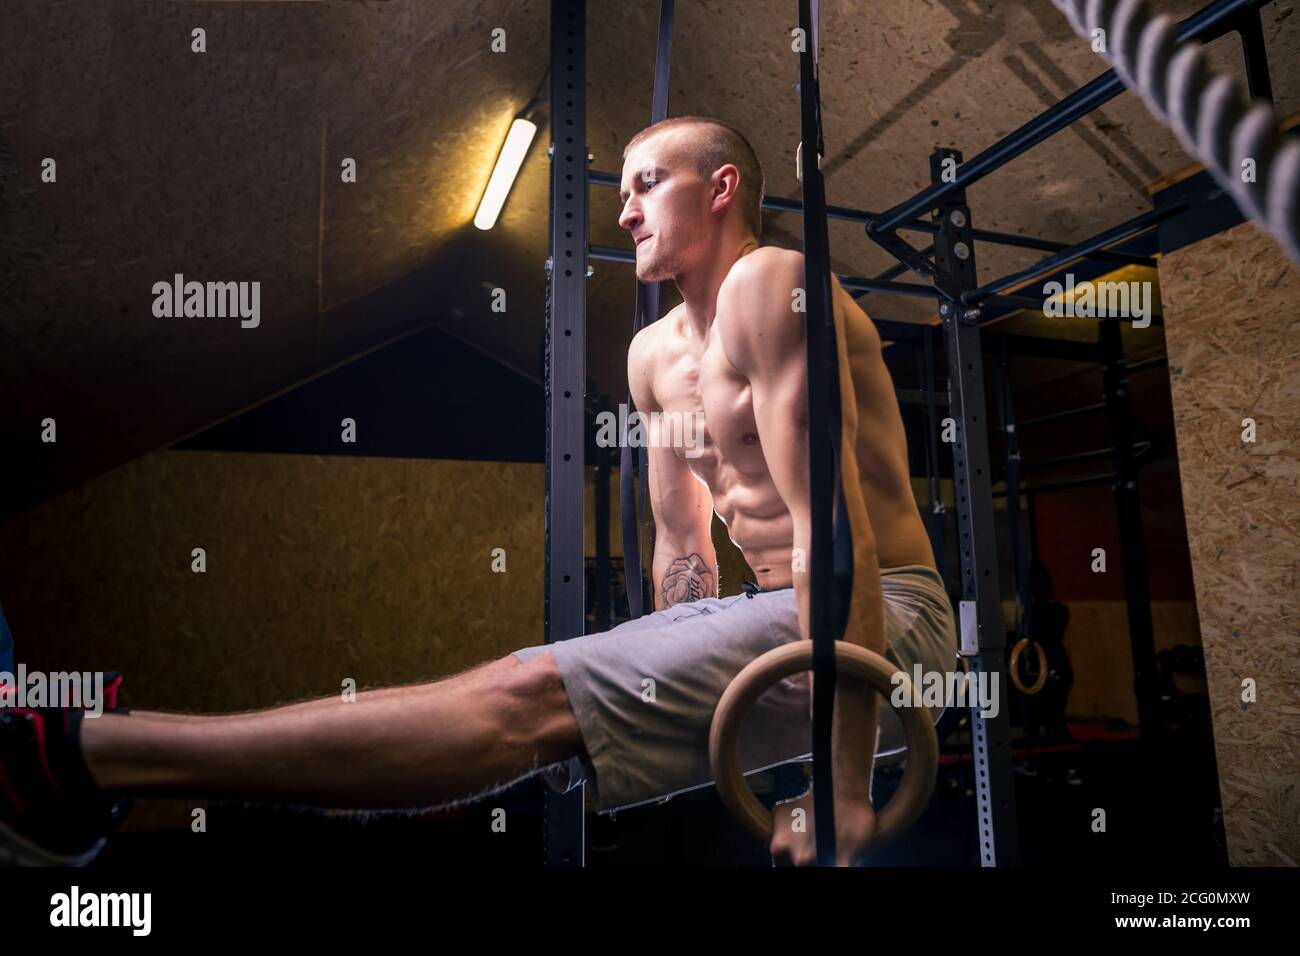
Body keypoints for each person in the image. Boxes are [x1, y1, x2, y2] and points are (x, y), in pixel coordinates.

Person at [0, 116, 955, 868]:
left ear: (721, 189)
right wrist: (674, 661)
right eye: (619, 191)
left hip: (894, 625)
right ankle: (88, 755)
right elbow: (681, 548)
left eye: (646, 184)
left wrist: (840, 784)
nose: (622, 210)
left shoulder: (773, 285)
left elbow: (838, 537)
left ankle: (81, 752)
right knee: (527, 687)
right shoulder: (652, 357)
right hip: (782, 613)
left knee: (523, 697)